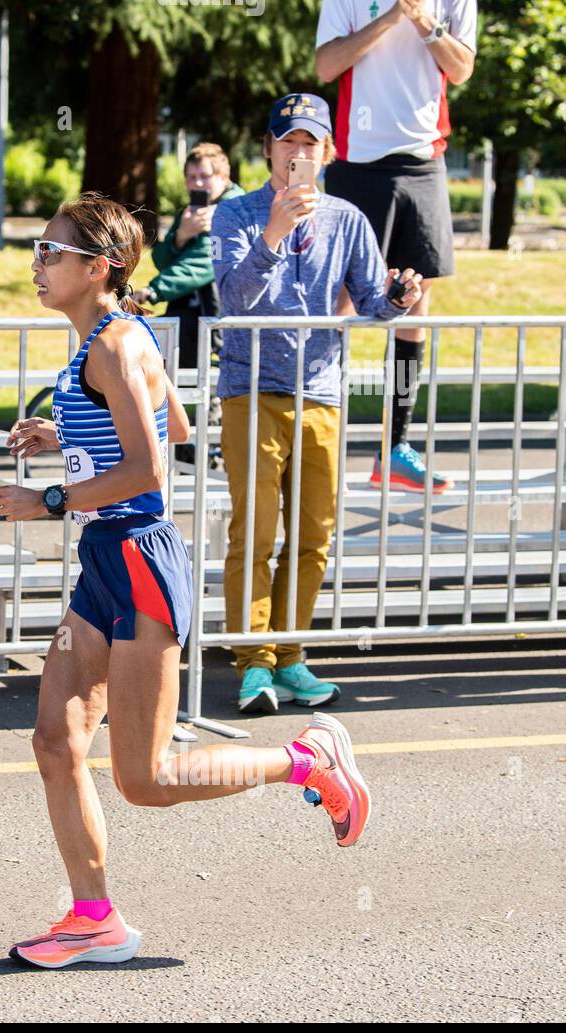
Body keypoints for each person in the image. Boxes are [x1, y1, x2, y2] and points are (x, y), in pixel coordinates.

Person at [0, 192, 371, 971]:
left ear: (100, 267)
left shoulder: (116, 345)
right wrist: (65, 434)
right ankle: (94, 919)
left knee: (148, 777)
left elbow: (150, 467)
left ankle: (309, 760)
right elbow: (175, 425)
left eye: (50, 251)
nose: (38, 262)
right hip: (106, 557)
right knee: (56, 739)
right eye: (38, 248)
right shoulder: (103, 338)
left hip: (139, 559)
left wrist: (48, 496)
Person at [212, 93, 424, 714]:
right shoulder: (238, 214)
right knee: (254, 533)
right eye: (287, 142)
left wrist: (399, 297)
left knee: (314, 537)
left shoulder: (348, 218)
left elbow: (371, 302)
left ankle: (292, 654)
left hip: (323, 392)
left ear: (328, 151)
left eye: (310, 143)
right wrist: (273, 234)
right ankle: (253, 664)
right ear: (267, 149)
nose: (298, 153)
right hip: (252, 391)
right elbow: (232, 301)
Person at [316, 0, 478, 492]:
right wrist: (389, 16)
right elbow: (326, 66)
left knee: (415, 304)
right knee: (336, 302)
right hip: (359, 160)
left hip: (423, 164)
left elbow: (462, 68)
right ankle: (312, 430)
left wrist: (424, 22)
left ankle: (395, 447)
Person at [134, 143, 244, 375]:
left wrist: (153, 291)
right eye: (191, 177)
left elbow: (205, 263)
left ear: (224, 178)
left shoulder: (234, 209)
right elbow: (161, 259)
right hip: (191, 313)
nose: (197, 183)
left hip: (222, 317)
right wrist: (182, 236)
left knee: (149, 355)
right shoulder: (192, 211)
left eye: (205, 176)